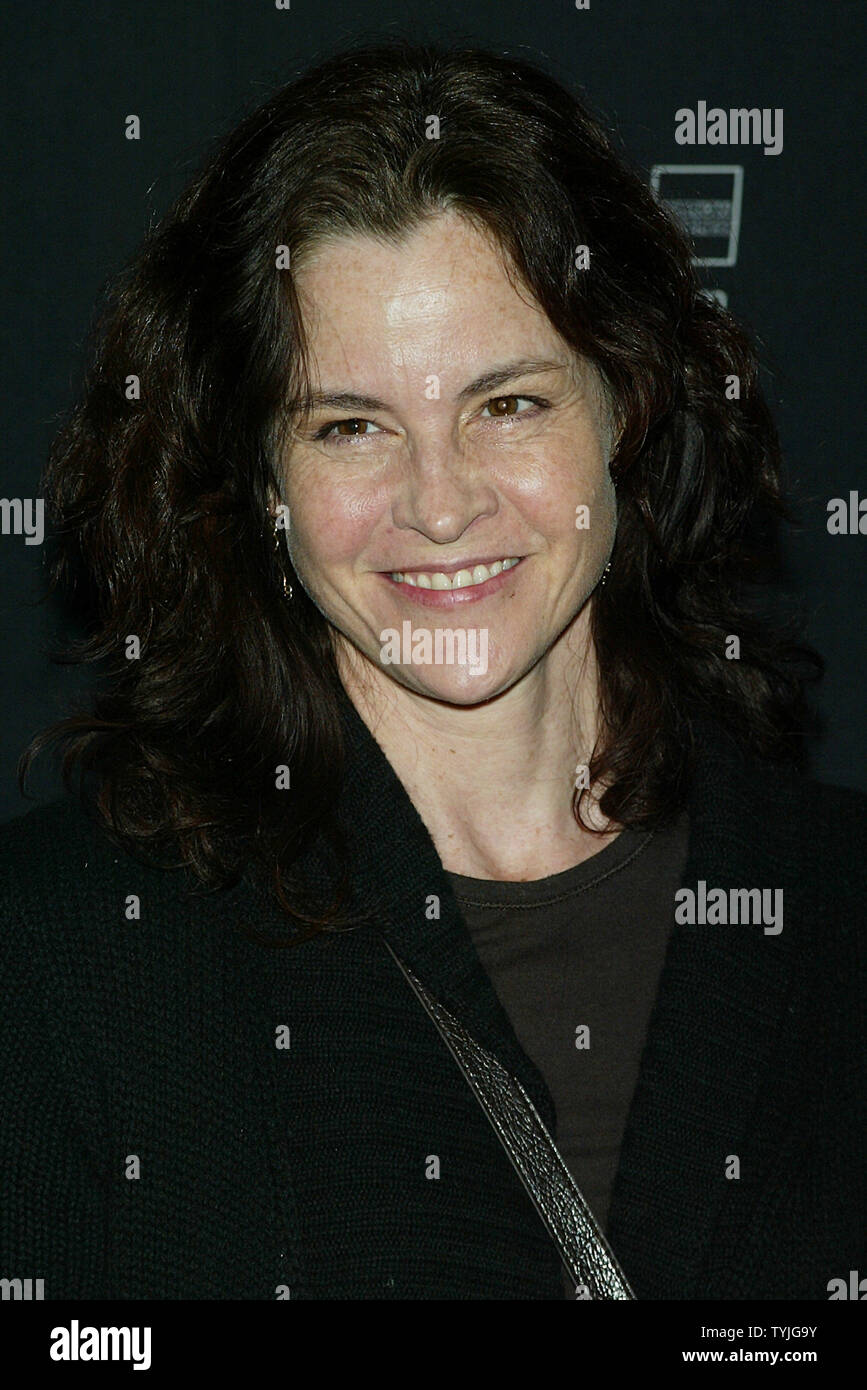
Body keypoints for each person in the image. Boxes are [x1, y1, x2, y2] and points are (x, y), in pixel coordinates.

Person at [1, 40, 864, 1302]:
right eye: (350, 426)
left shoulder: (837, 906)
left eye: (507, 404)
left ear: (626, 403)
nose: (442, 504)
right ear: (260, 482)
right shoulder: (63, 961)